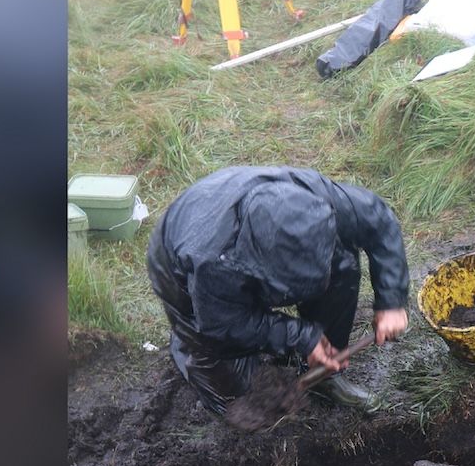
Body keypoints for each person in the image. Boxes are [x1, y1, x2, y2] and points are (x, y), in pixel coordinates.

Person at [147, 166, 410, 416]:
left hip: (250, 234)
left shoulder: (321, 201)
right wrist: (301, 335)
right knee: (234, 390)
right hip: (180, 262)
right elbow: (225, 324)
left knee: (342, 264)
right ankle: (187, 342)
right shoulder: (213, 263)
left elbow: (379, 223)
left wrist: (391, 300)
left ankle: (324, 366)